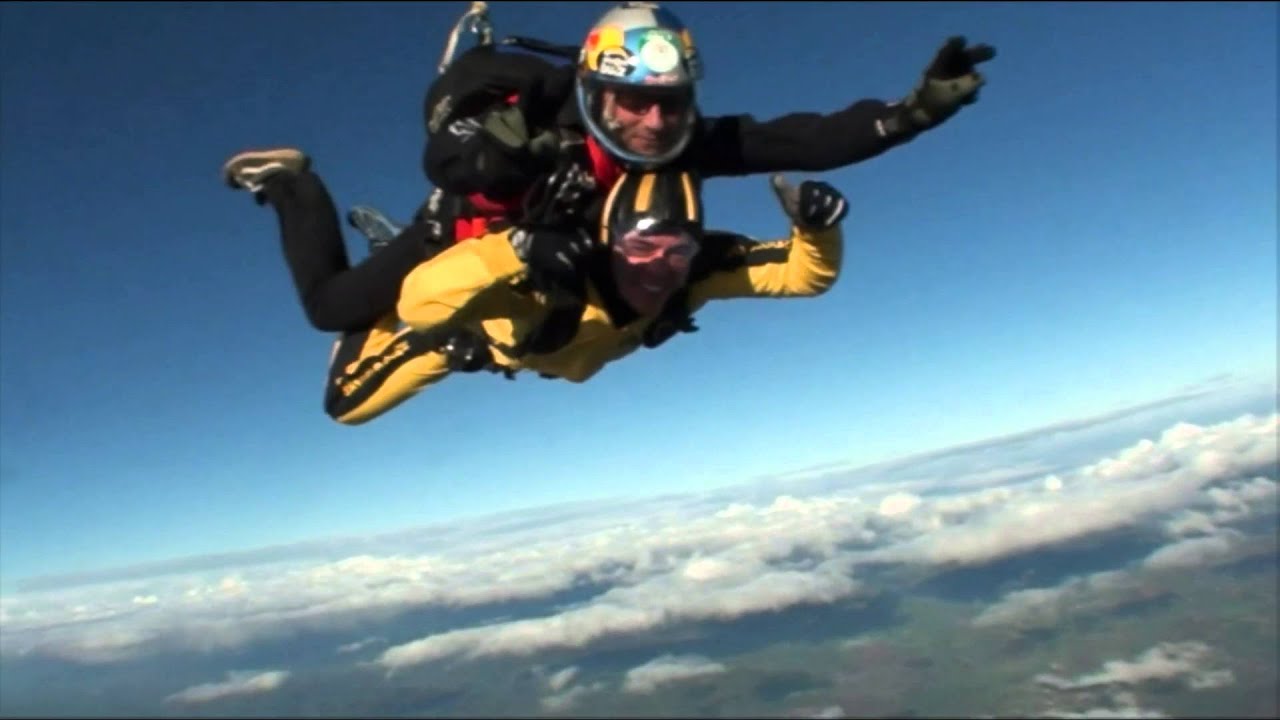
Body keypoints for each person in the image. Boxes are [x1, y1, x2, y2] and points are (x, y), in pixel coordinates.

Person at [222, 1, 994, 339]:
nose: (653, 123)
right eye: (632, 102)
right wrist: (502, 154)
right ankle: (293, 182)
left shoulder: (682, 140)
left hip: (555, 251)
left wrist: (908, 115)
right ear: (593, 90)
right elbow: (445, 154)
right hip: (464, 227)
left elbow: (802, 141)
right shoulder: (543, 108)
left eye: (671, 103)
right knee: (333, 311)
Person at [234, 145, 848, 424]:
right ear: (609, 241)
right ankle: (294, 185)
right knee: (344, 399)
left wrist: (816, 229)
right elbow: (421, 305)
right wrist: (516, 248)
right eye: (641, 247)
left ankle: (400, 246)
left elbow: (800, 274)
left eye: (678, 250)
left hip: (534, 339)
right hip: (466, 332)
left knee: (449, 289)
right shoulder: (545, 266)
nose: (660, 267)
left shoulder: (700, 271)